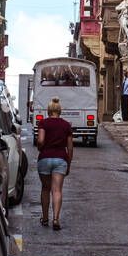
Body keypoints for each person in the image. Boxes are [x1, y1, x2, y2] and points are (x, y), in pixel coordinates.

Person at [37, 97, 73, 231]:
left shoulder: (43, 123)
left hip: (45, 158)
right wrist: (68, 164)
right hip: (60, 159)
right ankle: (56, 219)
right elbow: (70, 148)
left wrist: (41, 148)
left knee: (45, 189)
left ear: (48, 111)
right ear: (60, 111)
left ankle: (45, 218)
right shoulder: (66, 125)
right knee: (57, 190)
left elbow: (40, 140)